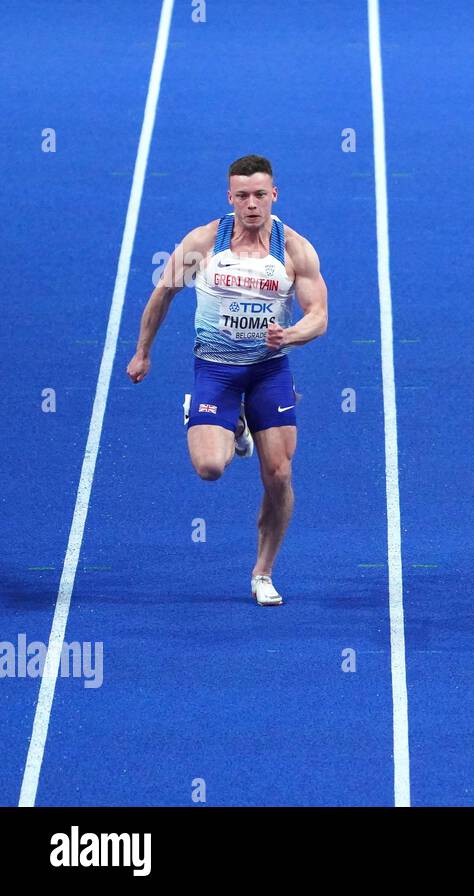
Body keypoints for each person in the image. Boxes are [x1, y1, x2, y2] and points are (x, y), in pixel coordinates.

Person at [126, 154, 329, 607]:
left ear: (274, 195)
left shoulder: (294, 249)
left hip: (269, 372)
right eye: (242, 196)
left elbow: (319, 317)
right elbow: (164, 293)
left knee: (278, 474)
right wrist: (143, 351)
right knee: (210, 469)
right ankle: (233, 426)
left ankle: (263, 572)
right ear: (230, 198)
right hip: (215, 370)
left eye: (260, 195)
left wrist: (291, 334)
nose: (252, 204)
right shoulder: (203, 242)